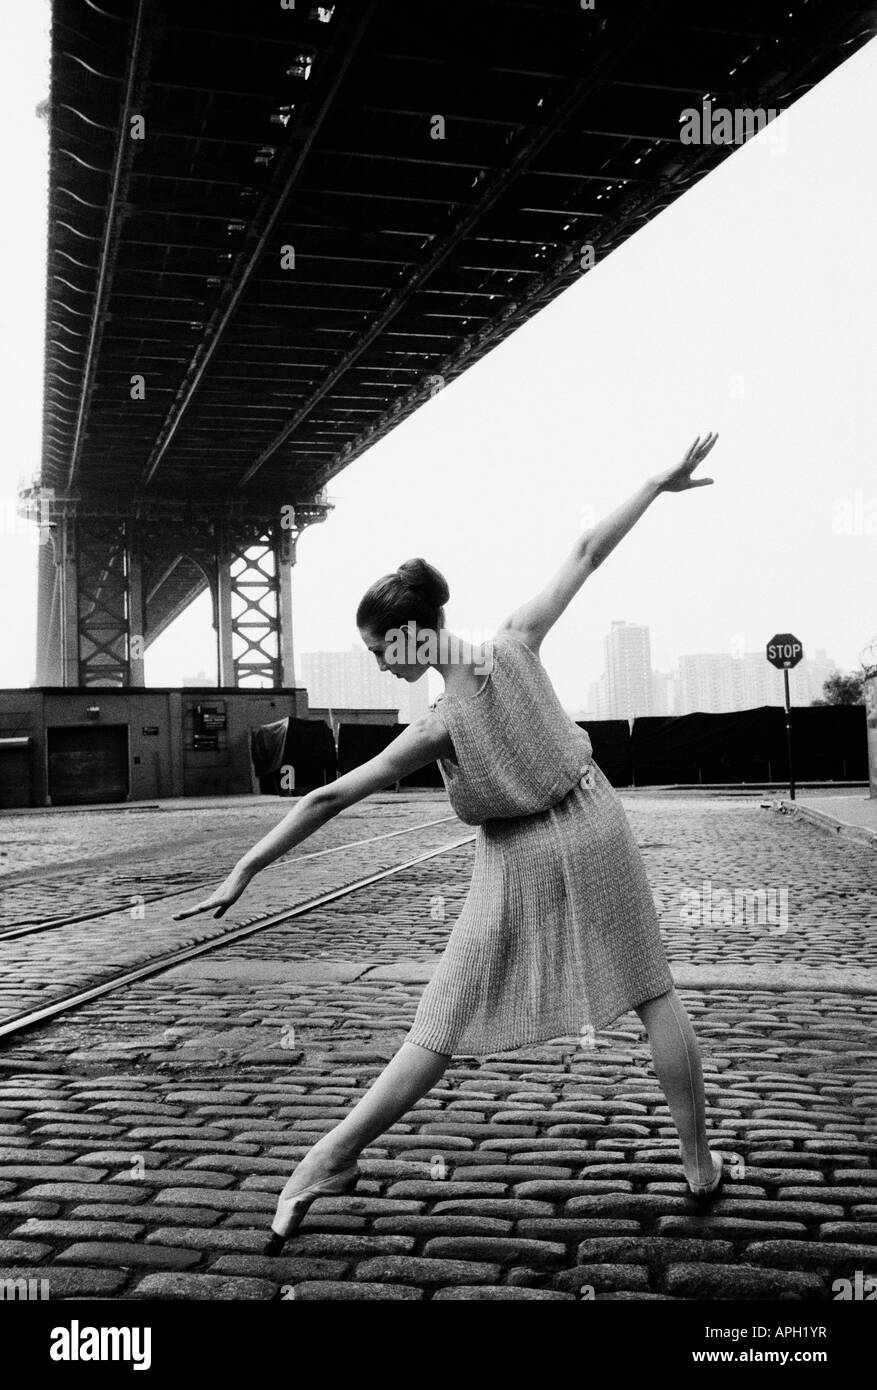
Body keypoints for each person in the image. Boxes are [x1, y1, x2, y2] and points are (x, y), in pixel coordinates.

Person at [176, 432, 722, 1252]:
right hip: (591, 819)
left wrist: (245, 868)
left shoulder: (436, 727)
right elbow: (582, 551)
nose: (377, 663)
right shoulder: (514, 640)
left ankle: (327, 1159)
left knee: (441, 1017)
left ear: (405, 636)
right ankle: (699, 1164)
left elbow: (329, 794)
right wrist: (653, 481)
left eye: (374, 649)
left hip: (519, 853)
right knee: (652, 991)